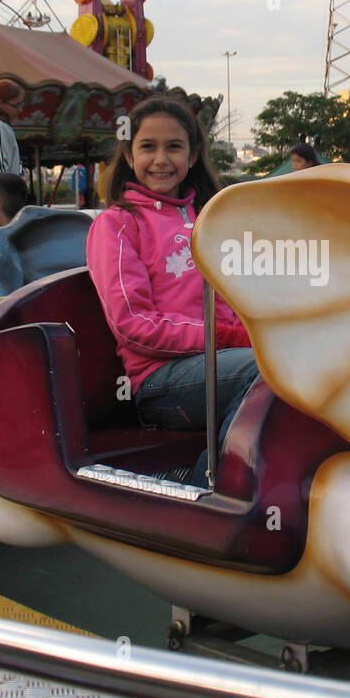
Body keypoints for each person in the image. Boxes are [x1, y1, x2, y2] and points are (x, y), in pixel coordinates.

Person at [86, 97, 259, 484]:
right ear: (129, 157)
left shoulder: (212, 220)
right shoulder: (117, 225)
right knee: (265, 372)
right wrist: (227, 338)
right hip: (160, 382)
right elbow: (131, 323)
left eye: (174, 147)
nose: (161, 159)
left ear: (193, 155)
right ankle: (211, 492)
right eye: (148, 147)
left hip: (220, 363)